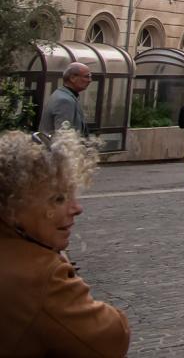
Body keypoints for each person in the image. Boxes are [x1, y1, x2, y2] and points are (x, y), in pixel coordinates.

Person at [0, 131, 130, 357]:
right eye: (58, 199)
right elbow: (111, 338)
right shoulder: (42, 274)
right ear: (14, 207)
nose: (76, 208)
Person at [38, 63, 91, 138]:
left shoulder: (65, 95)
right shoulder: (64, 101)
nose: (89, 80)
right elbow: (63, 138)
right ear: (72, 78)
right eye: (87, 76)